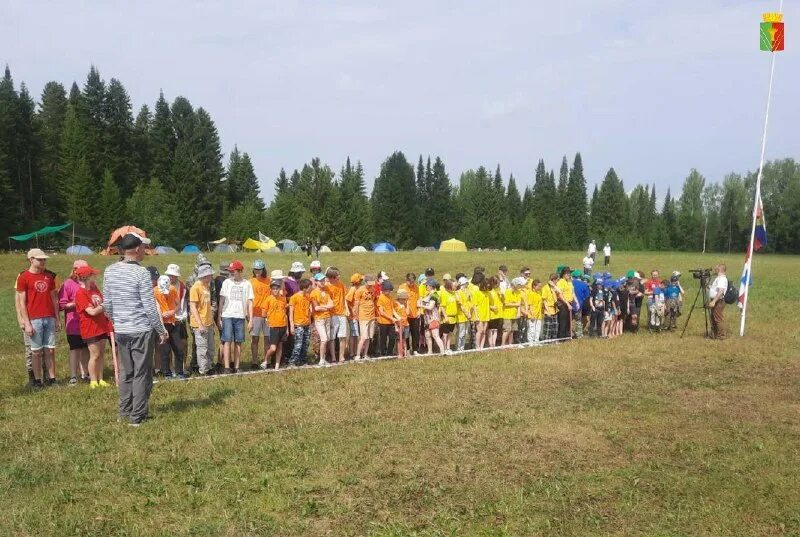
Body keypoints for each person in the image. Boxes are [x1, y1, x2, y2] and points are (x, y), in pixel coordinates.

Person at [103, 233, 168, 426]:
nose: (145, 251)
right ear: (138, 249)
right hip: (140, 329)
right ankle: (137, 416)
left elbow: (108, 303)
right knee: (141, 373)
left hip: (122, 329)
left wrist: (117, 321)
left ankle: (125, 411)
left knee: (126, 372)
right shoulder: (141, 273)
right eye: (144, 248)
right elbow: (149, 306)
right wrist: (160, 329)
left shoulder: (110, 271)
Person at [16, 248, 60, 388]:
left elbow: (54, 299)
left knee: (50, 350)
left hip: (49, 318)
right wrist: (26, 322)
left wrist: (57, 318)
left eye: (44, 259)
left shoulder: (49, 276)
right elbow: (21, 302)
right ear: (31, 260)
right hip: (34, 319)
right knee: (36, 352)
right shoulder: (23, 277)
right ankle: (37, 381)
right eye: (39, 259)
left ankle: (52, 380)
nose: (43, 261)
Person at [74, 264, 112, 388]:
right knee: (94, 355)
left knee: (101, 353)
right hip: (90, 327)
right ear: (86, 277)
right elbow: (91, 311)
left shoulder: (95, 288)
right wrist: (106, 305)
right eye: (92, 275)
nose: (95, 276)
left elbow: (101, 301)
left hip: (102, 325)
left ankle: (101, 378)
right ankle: (93, 380)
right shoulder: (80, 293)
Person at [219, 260, 254, 374]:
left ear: (240, 271)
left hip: (240, 316)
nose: (231, 273)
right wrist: (219, 316)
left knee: (238, 342)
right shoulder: (226, 282)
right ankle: (227, 367)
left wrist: (250, 320)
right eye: (230, 271)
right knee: (227, 340)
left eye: (233, 271)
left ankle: (237, 366)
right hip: (227, 315)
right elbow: (221, 300)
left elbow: (250, 302)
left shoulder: (247, 284)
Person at [59, 259, 90, 384]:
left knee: (86, 348)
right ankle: (73, 376)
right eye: (82, 270)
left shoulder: (89, 283)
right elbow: (62, 304)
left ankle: (85, 373)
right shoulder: (68, 283)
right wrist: (76, 303)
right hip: (74, 323)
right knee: (75, 348)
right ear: (75, 270)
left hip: (88, 322)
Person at [154, 275, 185, 379]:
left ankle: (180, 372)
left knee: (179, 348)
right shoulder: (154, 292)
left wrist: (172, 311)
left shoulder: (172, 289)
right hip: (161, 324)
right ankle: (166, 373)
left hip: (173, 323)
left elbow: (178, 305)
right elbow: (156, 310)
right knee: (165, 350)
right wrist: (162, 325)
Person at [190, 264, 215, 375]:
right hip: (200, 323)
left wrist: (212, 321)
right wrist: (200, 324)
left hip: (208, 322)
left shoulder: (206, 286)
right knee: (202, 348)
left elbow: (207, 306)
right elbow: (193, 307)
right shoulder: (196, 287)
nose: (212, 276)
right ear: (205, 275)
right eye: (210, 275)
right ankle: (203, 370)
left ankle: (209, 367)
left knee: (210, 348)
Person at [261, 280, 288, 369]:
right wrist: (267, 320)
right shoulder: (268, 299)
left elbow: (285, 313)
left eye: (277, 288)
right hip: (273, 326)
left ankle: (277, 365)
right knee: (273, 348)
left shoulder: (283, 299)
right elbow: (264, 313)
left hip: (283, 325)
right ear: (271, 290)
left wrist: (287, 328)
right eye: (273, 289)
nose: (275, 290)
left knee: (280, 346)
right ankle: (265, 360)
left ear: (279, 289)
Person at [324, 267, 348, 363]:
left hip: (341, 313)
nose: (339, 276)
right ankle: (333, 356)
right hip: (332, 314)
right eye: (337, 275)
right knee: (332, 337)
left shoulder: (341, 284)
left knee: (342, 336)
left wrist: (346, 309)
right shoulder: (326, 286)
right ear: (332, 277)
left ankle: (341, 356)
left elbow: (344, 297)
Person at [249, 260, 270, 369]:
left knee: (267, 339)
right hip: (255, 314)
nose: (257, 271)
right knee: (255, 339)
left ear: (263, 269)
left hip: (267, 314)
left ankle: (267, 360)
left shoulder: (268, 281)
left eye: (259, 269)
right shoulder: (250, 282)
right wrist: (249, 316)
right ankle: (254, 361)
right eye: (255, 269)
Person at [288, 278, 313, 366]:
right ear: (305, 287)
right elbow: (290, 312)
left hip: (307, 324)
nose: (311, 288)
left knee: (305, 344)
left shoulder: (308, 297)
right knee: (298, 345)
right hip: (298, 325)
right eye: (310, 287)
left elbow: (310, 308)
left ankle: (303, 360)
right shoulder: (294, 297)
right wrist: (291, 326)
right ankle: (293, 361)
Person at [310, 272, 334, 365]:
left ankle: (324, 358)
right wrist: (326, 307)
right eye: (320, 281)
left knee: (327, 339)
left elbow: (332, 304)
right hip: (319, 319)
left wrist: (323, 307)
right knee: (324, 339)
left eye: (323, 280)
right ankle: (321, 359)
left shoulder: (326, 292)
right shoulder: (314, 293)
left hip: (327, 317)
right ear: (316, 282)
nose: (323, 282)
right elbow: (316, 308)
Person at [353, 274, 377, 361]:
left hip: (371, 316)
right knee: (363, 337)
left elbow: (373, 301)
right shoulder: (360, 290)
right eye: (369, 284)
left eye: (372, 284)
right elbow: (356, 304)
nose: (370, 285)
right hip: (363, 316)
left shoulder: (373, 289)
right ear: (365, 282)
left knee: (369, 337)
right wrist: (355, 315)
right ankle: (358, 355)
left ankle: (365, 355)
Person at [398, 273, 421, 355]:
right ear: (406, 280)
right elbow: (399, 300)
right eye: (410, 282)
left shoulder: (416, 287)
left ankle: (415, 350)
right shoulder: (402, 287)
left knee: (415, 333)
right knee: (406, 334)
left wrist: (419, 310)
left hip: (415, 314)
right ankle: (407, 349)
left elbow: (418, 299)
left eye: (413, 282)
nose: (411, 284)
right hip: (405, 315)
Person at [420, 280, 445, 354]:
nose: (426, 287)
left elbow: (431, 307)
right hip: (427, 319)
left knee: (435, 336)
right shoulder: (429, 295)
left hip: (433, 318)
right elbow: (423, 301)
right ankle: (429, 351)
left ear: (431, 286)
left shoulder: (434, 295)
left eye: (427, 285)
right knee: (427, 336)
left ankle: (442, 351)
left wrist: (420, 305)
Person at [375, 280, 397, 356]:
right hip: (383, 322)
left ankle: (389, 352)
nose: (388, 291)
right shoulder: (380, 298)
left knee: (392, 338)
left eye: (389, 290)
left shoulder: (390, 297)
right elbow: (381, 312)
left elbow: (392, 309)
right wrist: (391, 318)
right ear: (383, 290)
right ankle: (383, 353)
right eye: (386, 290)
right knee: (383, 339)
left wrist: (396, 316)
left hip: (391, 322)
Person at [707, 263, 728, 340]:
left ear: (719, 270)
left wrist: (714, 301)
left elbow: (720, 291)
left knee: (718, 318)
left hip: (718, 300)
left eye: (716, 269)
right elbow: (715, 289)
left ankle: (721, 336)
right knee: (713, 317)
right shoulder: (719, 278)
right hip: (716, 300)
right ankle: (714, 334)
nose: (714, 271)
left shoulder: (721, 279)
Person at [556, 268, 577, 340]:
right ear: (563, 274)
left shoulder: (569, 282)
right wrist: (567, 304)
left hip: (570, 303)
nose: (569, 275)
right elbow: (560, 295)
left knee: (568, 321)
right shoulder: (560, 282)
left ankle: (567, 336)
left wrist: (576, 301)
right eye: (567, 273)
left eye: (570, 273)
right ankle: (561, 338)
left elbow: (572, 292)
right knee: (563, 322)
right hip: (563, 304)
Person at [501, 277, 523, 346]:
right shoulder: (508, 292)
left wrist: (518, 313)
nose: (520, 286)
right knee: (507, 329)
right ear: (515, 284)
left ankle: (510, 344)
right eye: (519, 285)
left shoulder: (518, 292)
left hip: (515, 314)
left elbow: (519, 303)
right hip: (507, 314)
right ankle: (503, 344)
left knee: (512, 330)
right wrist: (515, 304)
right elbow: (506, 303)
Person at [345, 273, 362, 358]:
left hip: (358, 315)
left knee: (356, 334)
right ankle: (351, 352)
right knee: (353, 334)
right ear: (357, 281)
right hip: (352, 316)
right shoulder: (352, 289)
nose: (362, 281)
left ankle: (355, 351)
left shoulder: (358, 288)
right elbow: (347, 300)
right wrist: (349, 311)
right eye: (360, 280)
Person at [439, 279, 458, 351]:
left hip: (453, 318)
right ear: (449, 286)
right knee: (445, 334)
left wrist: (455, 292)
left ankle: (448, 347)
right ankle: (443, 348)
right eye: (453, 286)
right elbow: (442, 306)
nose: (455, 287)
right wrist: (445, 316)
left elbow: (458, 301)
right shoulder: (444, 294)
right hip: (447, 317)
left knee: (450, 333)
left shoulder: (454, 293)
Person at [455, 276, 473, 351]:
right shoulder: (457, 293)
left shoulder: (467, 291)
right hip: (461, 316)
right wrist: (467, 314)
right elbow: (461, 305)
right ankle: (458, 347)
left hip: (468, 316)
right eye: (466, 283)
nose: (467, 285)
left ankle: (462, 347)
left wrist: (470, 313)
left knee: (465, 333)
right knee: (461, 333)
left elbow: (470, 303)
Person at [571, 270, 590, 338]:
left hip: (569, 305)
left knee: (569, 320)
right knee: (578, 321)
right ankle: (578, 334)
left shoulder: (570, 283)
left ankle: (569, 333)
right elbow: (587, 296)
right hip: (579, 305)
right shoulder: (584, 284)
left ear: (573, 276)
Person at [541, 273, 559, 341]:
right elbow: (544, 300)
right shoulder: (545, 288)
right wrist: (547, 310)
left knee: (555, 326)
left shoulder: (554, 287)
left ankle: (553, 339)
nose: (557, 281)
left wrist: (554, 286)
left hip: (555, 309)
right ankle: (546, 340)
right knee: (548, 327)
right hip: (548, 309)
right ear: (553, 280)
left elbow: (559, 292)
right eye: (556, 280)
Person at [487, 276, 503, 347]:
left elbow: (503, 301)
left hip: (498, 313)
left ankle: (494, 343)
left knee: (496, 329)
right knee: (491, 329)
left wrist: (502, 296)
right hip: (491, 313)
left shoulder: (499, 290)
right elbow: (485, 303)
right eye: (497, 283)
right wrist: (491, 307)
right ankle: (490, 344)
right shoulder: (489, 291)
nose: (498, 284)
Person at [526, 279, 543, 344]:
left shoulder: (538, 294)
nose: (540, 288)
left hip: (539, 315)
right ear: (534, 286)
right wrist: (531, 315)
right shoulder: (531, 294)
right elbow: (529, 305)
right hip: (532, 315)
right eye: (538, 286)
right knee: (531, 329)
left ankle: (536, 341)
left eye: (540, 286)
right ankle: (530, 342)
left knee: (538, 329)